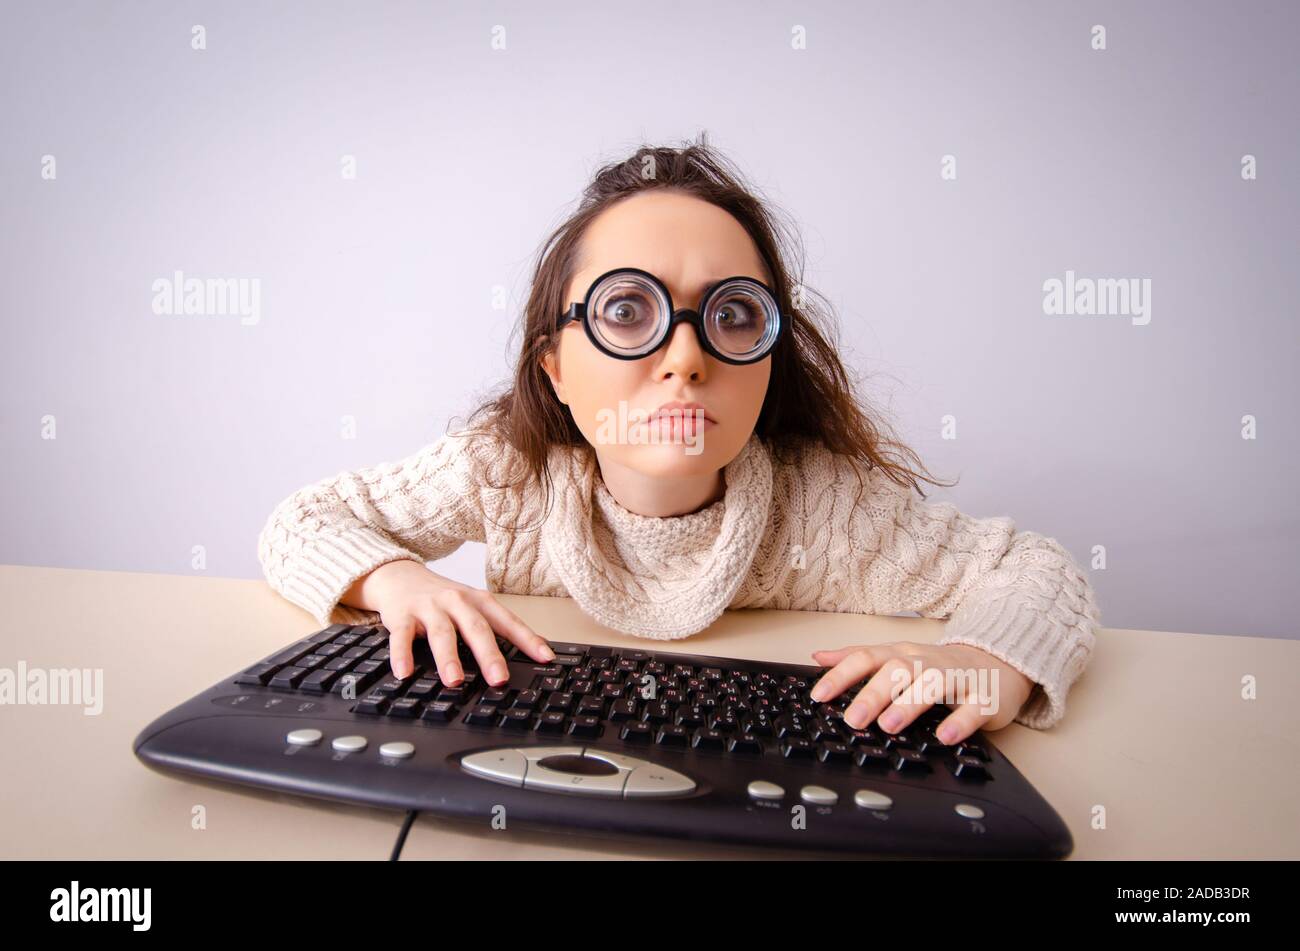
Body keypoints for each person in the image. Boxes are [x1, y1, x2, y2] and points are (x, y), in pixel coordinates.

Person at [258, 135, 1100, 748]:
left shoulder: (831, 510)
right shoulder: (505, 472)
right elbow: (301, 522)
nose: (687, 358)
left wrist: (982, 658)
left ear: (769, 356)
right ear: (553, 363)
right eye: (629, 311)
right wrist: (393, 577)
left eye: (732, 315)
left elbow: (1041, 573)